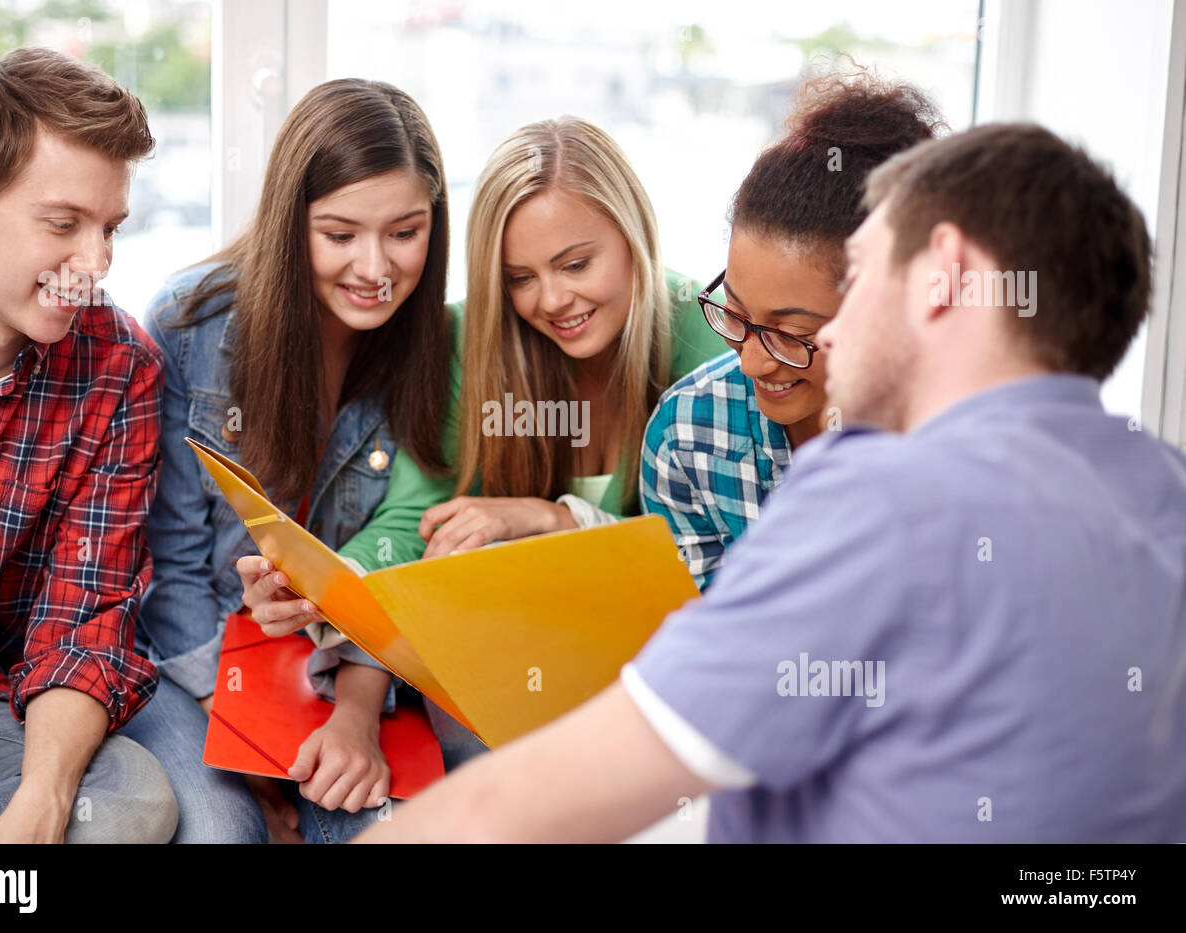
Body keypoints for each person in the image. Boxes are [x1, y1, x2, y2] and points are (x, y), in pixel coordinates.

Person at [354, 122, 1186, 843]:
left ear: (947, 274)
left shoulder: (884, 498)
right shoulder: (1164, 489)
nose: (827, 331)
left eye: (858, 274)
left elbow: (514, 810)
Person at [237, 115, 729, 763]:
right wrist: (329, 587)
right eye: (520, 277)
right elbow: (416, 514)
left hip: (665, 679)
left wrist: (549, 517)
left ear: (634, 234)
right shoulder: (468, 341)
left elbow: (707, 563)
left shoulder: (705, 340)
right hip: (524, 675)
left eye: (576, 263)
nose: (553, 299)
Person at [128, 78, 454, 843]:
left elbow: (399, 561)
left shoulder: (436, 347)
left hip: (343, 671)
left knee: (377, 826)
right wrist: (243, 734)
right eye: (340, 235)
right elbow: (167, 571)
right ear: (289, 223)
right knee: (219, 826)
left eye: (404, 232)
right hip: (195, 655)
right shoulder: (189, 323)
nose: (375, 266)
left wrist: (353, 708)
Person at [0, 47, 176, 843]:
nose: (97, 263)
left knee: (125, 801)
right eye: (63, 224)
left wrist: (39, 805)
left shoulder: (120, 369)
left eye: (110, 228)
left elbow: (81, 623)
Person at [642, 71, 943, 589]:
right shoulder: (688, 434)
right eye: (736, 314)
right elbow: (705, 645)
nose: (752, 362)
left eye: (792, 332)